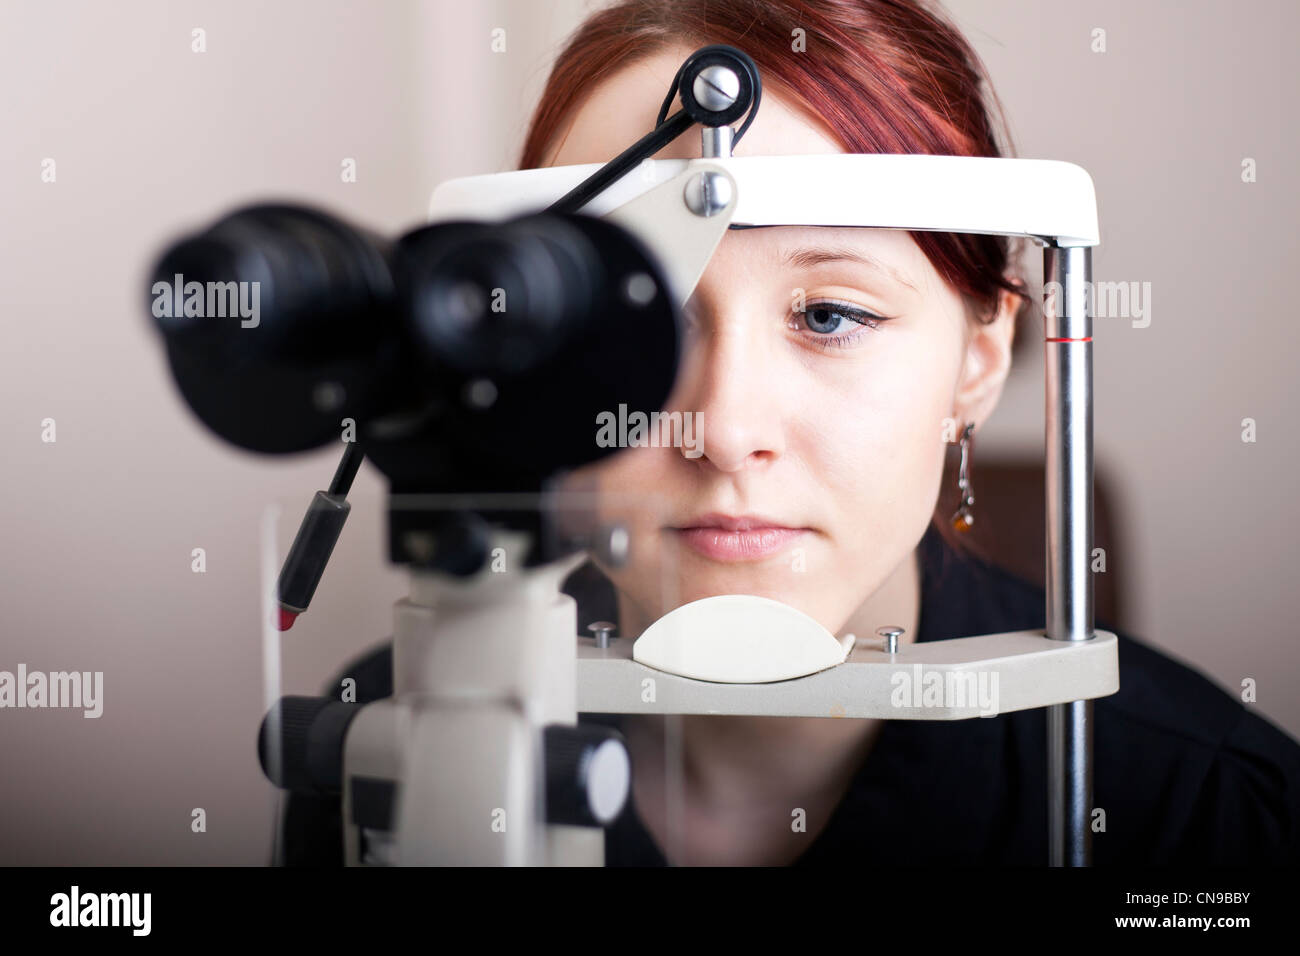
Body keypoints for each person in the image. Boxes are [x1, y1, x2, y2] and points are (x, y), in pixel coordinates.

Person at [280, 0, 1300, 866]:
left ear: (978, 361)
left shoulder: (1204, 808)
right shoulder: (385, 731)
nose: (722, 429)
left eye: (829, 315)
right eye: (644, 322)